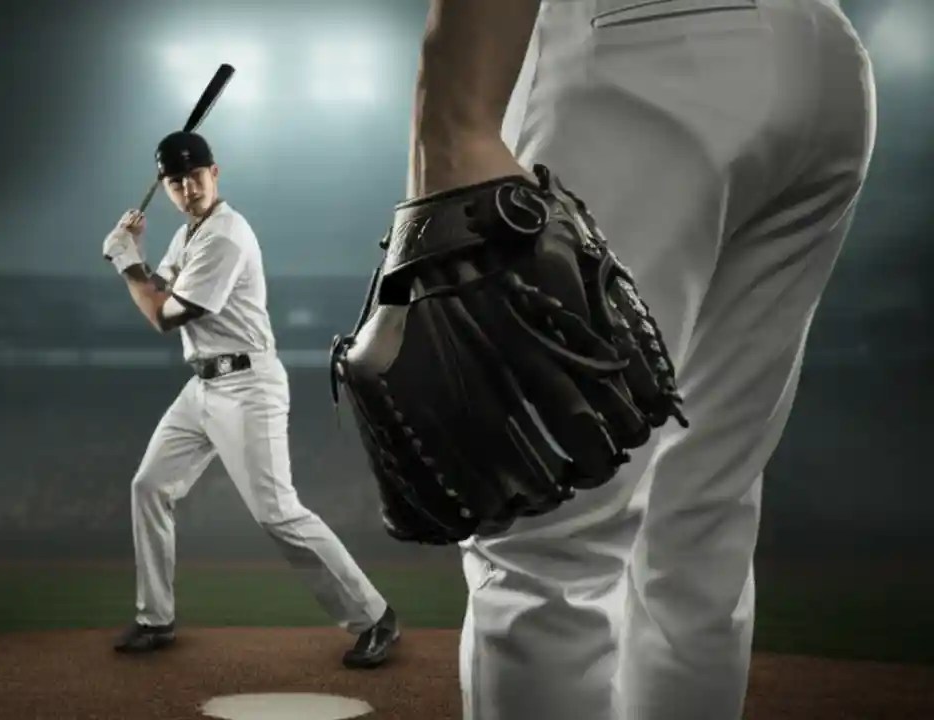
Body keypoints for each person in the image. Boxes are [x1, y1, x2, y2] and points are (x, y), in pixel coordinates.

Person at [406, 0, 876, 718]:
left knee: (544, 531)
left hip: (637, 44)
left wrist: (450, 133)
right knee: (696, 528)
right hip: (827, 62)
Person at [101, 130, 400, 668]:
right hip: (204, 385)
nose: (188, 189)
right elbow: (158, 287)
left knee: (277, 512)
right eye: (176, 182)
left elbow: (165, 316)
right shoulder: (187, 236)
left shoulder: (226, 235)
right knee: (149, 486)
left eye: (196, 177)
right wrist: (138, 258)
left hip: (247, 385)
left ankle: (375, 617)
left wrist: (126, 263)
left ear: (216, 173)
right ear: (166, 188)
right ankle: (155, 618)